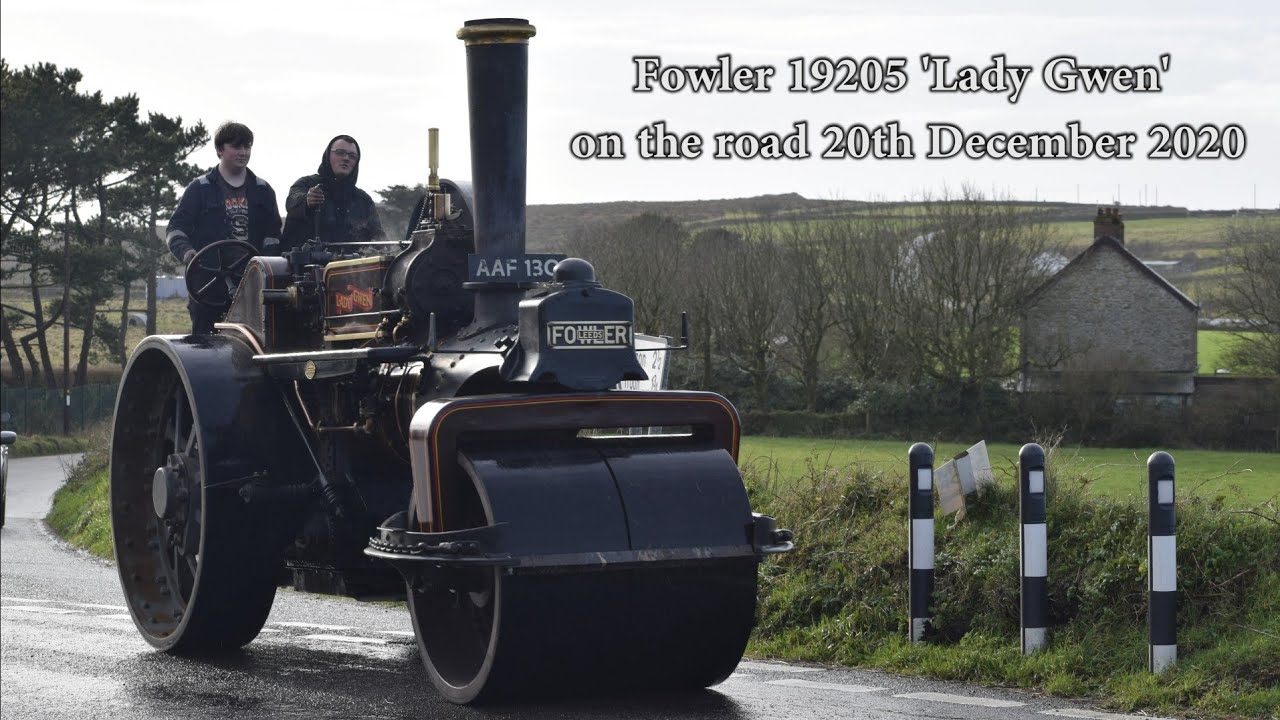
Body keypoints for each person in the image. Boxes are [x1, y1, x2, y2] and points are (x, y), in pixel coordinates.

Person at [166, 121, 281, 334]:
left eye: (247, 147)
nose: (243, 152)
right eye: (236, 147)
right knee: (205, 348)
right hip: (208, 285)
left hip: (252, 286)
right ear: (220, 150)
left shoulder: (263, 190)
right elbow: (176, 229)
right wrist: (187, 252)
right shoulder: (199, 189)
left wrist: (266, 264)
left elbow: (273, 235)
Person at [281, 135, 386, 250]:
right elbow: (292, 201)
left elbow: (378, 235)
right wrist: (307, 200)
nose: (346, 158)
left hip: (351, 266)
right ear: (327, 156)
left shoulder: (363, 199)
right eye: (340, 152)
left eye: (352, 156)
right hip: (303, 265)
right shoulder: (306, 184)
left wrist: (382, 245)